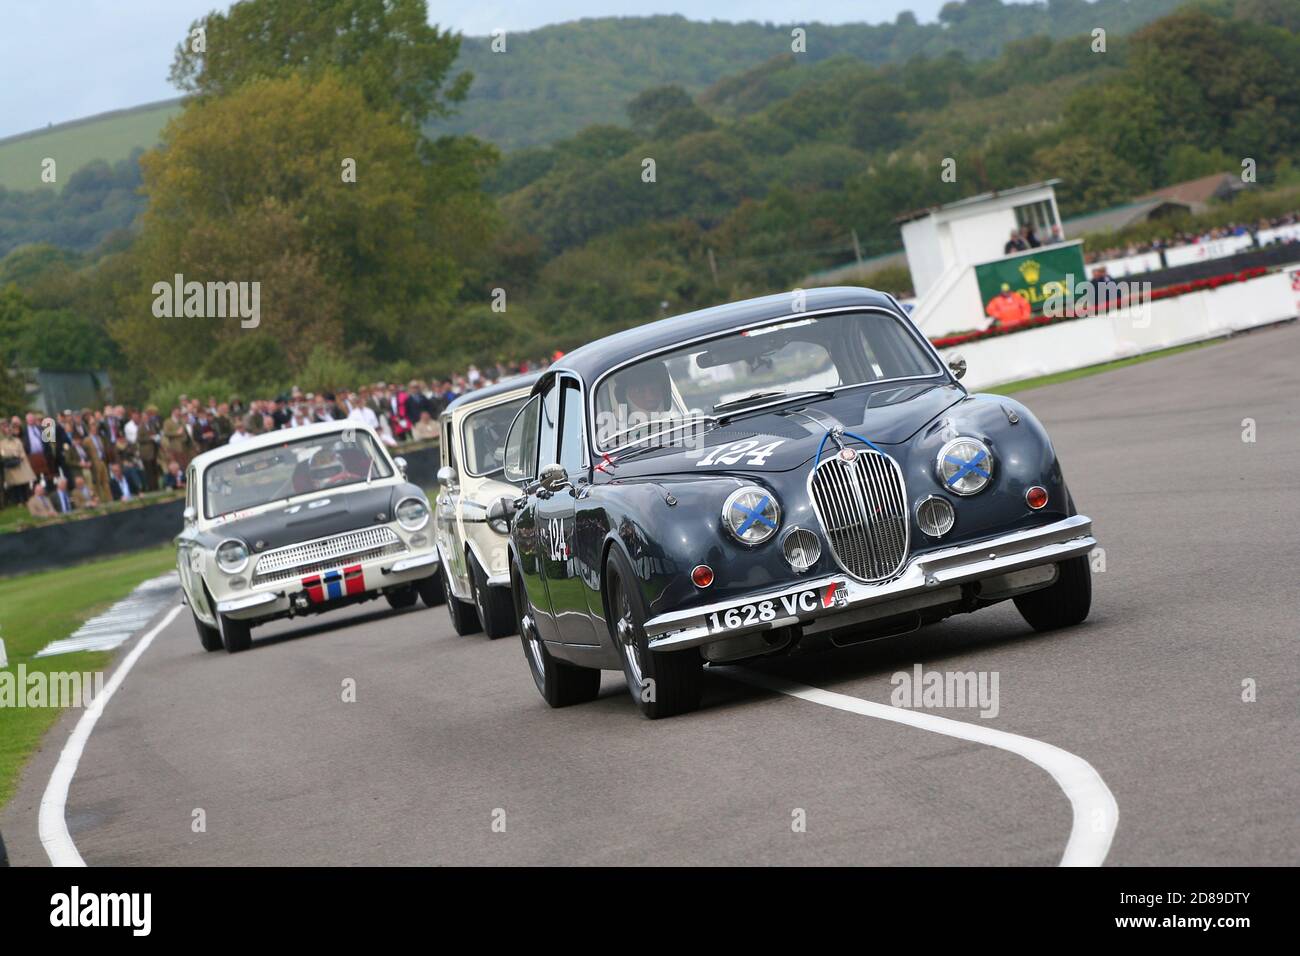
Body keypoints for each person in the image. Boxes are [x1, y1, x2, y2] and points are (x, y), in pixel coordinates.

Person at [2, 420, 37, 507]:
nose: (9, 433)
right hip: (11, 465)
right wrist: (13, 454)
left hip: (20, 463)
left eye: (10, 431)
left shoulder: (17, 440)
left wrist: (19, 456)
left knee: (24, 483)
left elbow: (22, 451)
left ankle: (25, 499)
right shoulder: (2, 443)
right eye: (8, 431)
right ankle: (18, 501)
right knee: (15, 485)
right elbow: (4, 453)